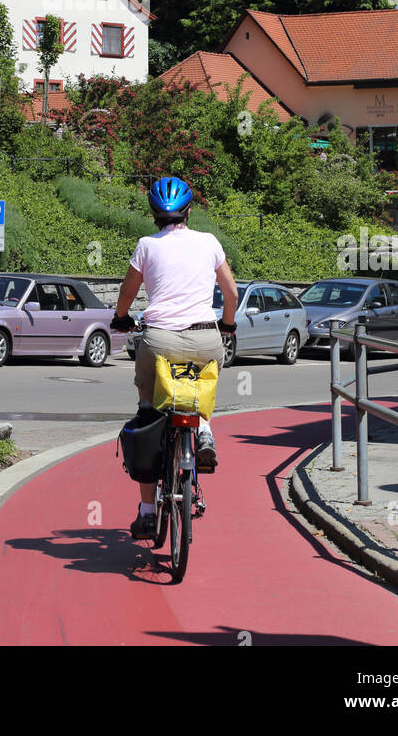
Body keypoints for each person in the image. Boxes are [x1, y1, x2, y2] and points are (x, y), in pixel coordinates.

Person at [110, 175, 238, 540]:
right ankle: (206, 432)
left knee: (149, 414)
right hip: (205, 338)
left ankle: (147, 512)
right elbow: (230, 293)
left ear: (153, 214)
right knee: (202, 388)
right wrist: (227, 326)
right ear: (189, 212)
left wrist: (121, 318)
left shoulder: (147, 245)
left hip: (159, 342)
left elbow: (127, 291)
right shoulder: (209, 242)